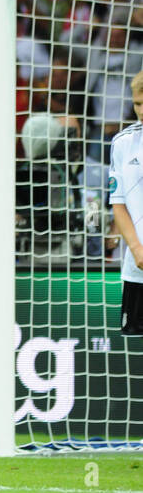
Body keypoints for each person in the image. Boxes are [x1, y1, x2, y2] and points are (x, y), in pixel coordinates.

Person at [111, 75, 143, 335]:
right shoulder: (124, 142)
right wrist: (136, 249)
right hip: (138, 266)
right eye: (138, 104)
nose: (141, 112)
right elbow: (118, 203)